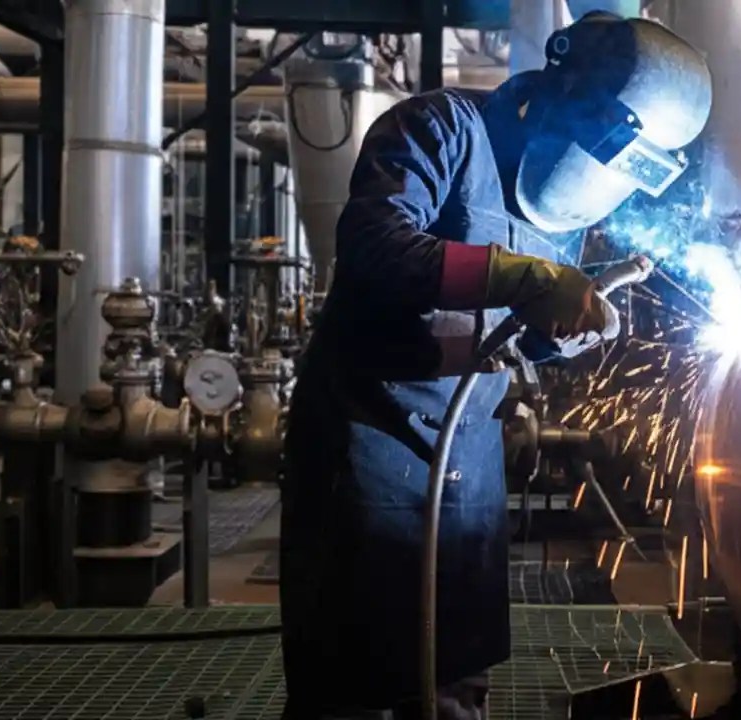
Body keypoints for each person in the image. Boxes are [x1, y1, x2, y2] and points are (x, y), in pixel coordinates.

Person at [281, 12, 711, 720]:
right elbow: (373, 246)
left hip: (469, 455)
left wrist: (573, 329)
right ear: (562, 89)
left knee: (455, 671)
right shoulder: (441, 129)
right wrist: (524, 277)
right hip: (366, 443)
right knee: (358, 676)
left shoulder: (565, 210)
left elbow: (521, 339)